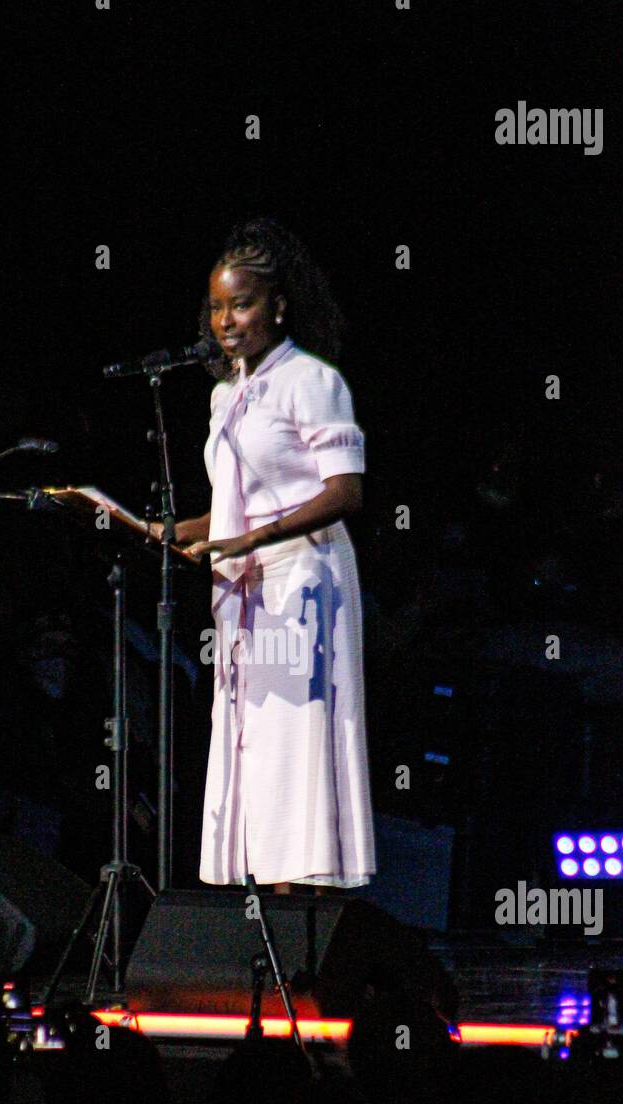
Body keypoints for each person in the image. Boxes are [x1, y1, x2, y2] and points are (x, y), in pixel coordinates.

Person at [176, 217, 375, 893]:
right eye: (217, 307)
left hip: (304, 581)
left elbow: (343, 492)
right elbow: (239, 505)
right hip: (246, 588)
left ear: (278, 304)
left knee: (300, 751)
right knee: (256, 750)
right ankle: (268, 919)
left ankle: (308, 919)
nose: (226, 320)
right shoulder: (224, 394)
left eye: (241, 304)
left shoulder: (312, 381)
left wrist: (253, 538)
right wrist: (178, 528)